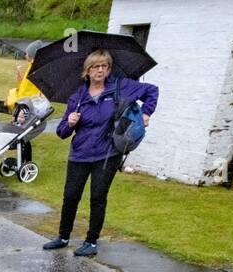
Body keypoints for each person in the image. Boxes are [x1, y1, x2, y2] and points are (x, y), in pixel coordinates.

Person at [43, 49, 158, 259]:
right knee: (70, 196)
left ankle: (91, 241)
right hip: (80, 154)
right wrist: (69, 123)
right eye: (95, 66)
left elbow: (152, 90)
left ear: (109, 69)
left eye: (105, 66)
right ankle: (63, 236)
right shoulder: (78, 97)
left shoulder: (120, 87)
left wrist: (146, 112)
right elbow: (61, 132)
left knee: (98, 197)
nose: (100, 70)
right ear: (87, 71)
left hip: (107, 154)